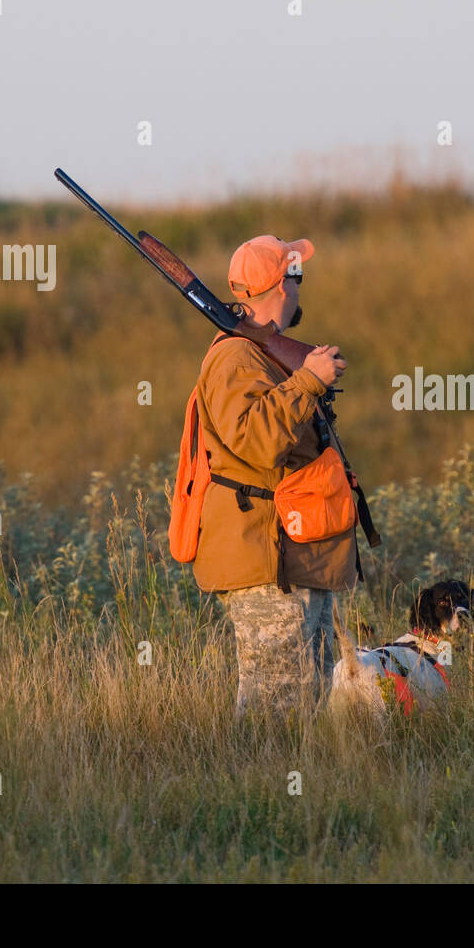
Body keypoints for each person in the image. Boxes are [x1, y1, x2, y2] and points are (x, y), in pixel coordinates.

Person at [192, 234, 358, 722]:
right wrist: (308, 381)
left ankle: (295, 795)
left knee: (307, 706)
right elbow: (255, 440)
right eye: (297, 275)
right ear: (282, 286)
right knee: (274, 711)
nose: (300, 287)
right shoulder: (235, 358)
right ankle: (255, 798)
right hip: (267, 557)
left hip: (294, 552)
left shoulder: (263, 354)